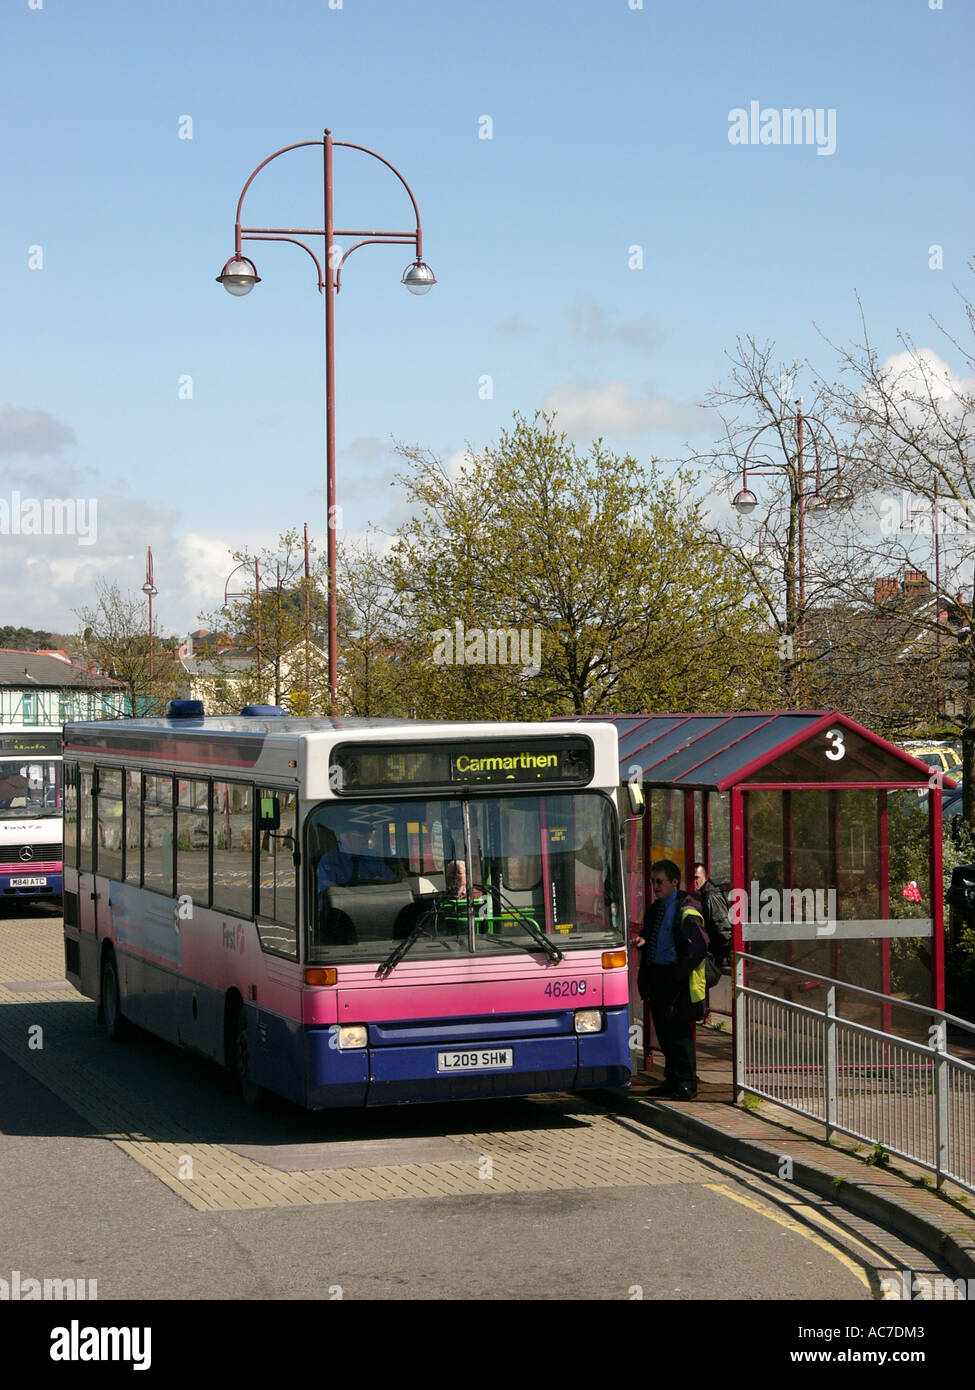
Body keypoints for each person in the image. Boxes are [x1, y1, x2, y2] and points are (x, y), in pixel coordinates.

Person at [634, 859, 708, 1100]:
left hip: (676, 976)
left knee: (679, 1031)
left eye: (660, 882)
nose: (655, 886)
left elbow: (698, 946)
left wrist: (679, 973)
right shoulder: (656, 909)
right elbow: (650, 936)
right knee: (664, 1031)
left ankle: (687, 1081)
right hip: (657, 973)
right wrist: (643, 941)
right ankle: (672, 1078)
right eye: (653, 881)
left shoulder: (685, 907)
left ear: (674, 882)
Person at [691, 862, 732, 966]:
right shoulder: (701, 894)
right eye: (691, 877)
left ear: (706, 877)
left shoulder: (711, 896)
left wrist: (722, 957)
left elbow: (723, 929)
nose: (694, 881)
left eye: (697, 877)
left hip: (714, 956)